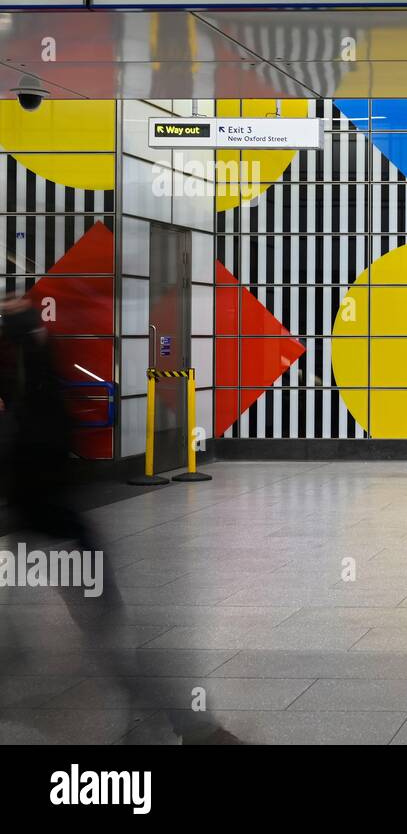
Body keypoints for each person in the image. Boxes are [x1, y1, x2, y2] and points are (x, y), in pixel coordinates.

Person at [0, 296, 239, 743]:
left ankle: (192, 726)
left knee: (108, 643)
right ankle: (182, 725)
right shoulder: (33, 385)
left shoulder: (36, 392)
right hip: (49, 533)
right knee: (103, 642)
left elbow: (37, 445)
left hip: (57, 537)